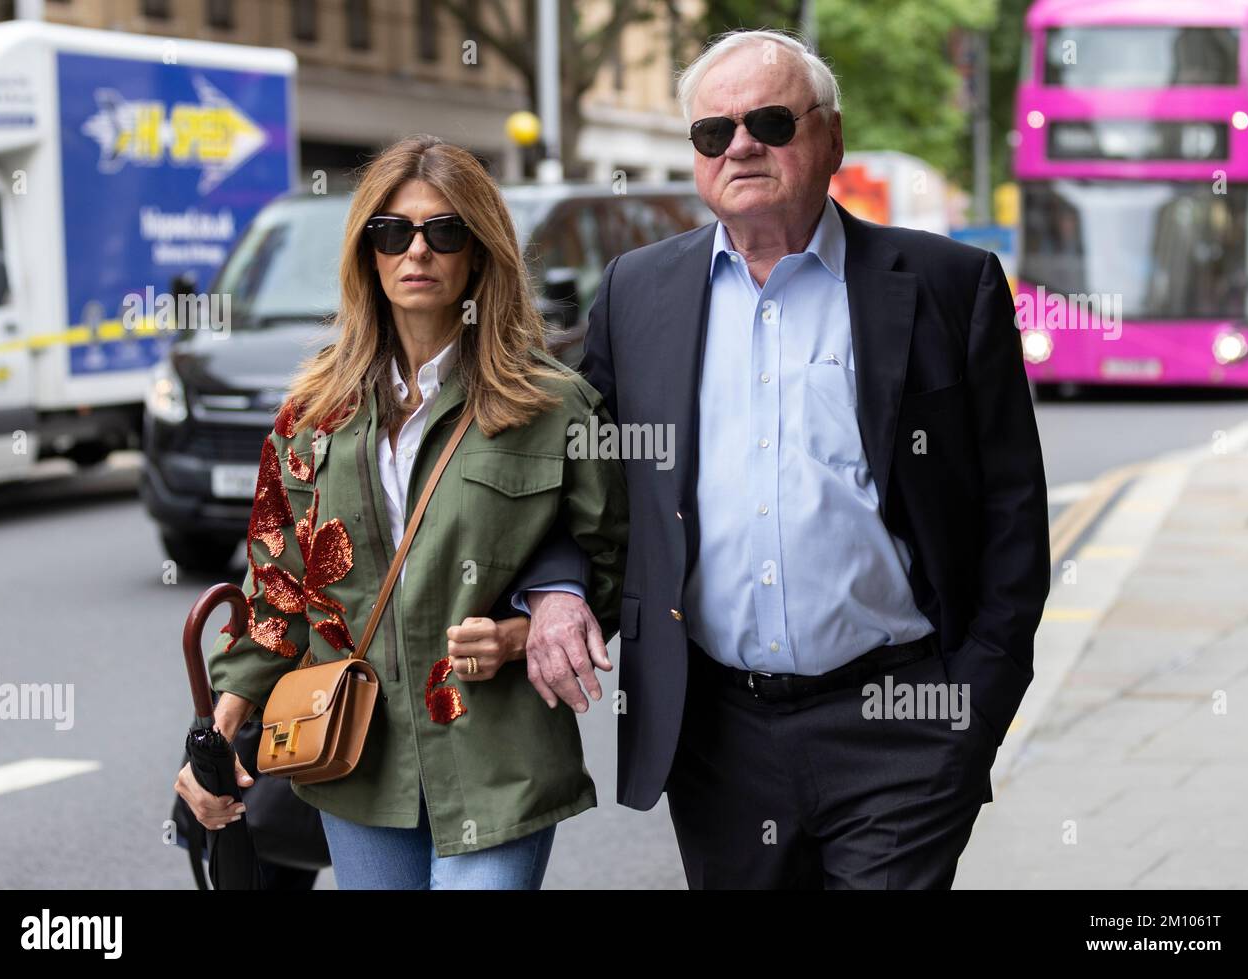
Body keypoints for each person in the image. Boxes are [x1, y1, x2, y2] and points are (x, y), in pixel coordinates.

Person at [511, 29, 1051, 889]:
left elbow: (1013, 519)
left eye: (768, 119)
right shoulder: (636, 291)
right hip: (719, 737)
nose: (742, 145)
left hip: (899, 724)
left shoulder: (952, 285)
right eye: (712, 131)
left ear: (830, 137)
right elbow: (582, 482)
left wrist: (970, 714)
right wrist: (557, 591)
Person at [173, 135, 628, 890]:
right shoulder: (312, 413)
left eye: (443, 231)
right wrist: (216, 732)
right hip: (354, 758)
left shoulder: (552, 406)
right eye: (393, 232)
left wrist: (522, 632)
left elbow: (613, 563)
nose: (416, 251)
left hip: (496, 756)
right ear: (367, 253)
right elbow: (276, 590)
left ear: (480, 254)